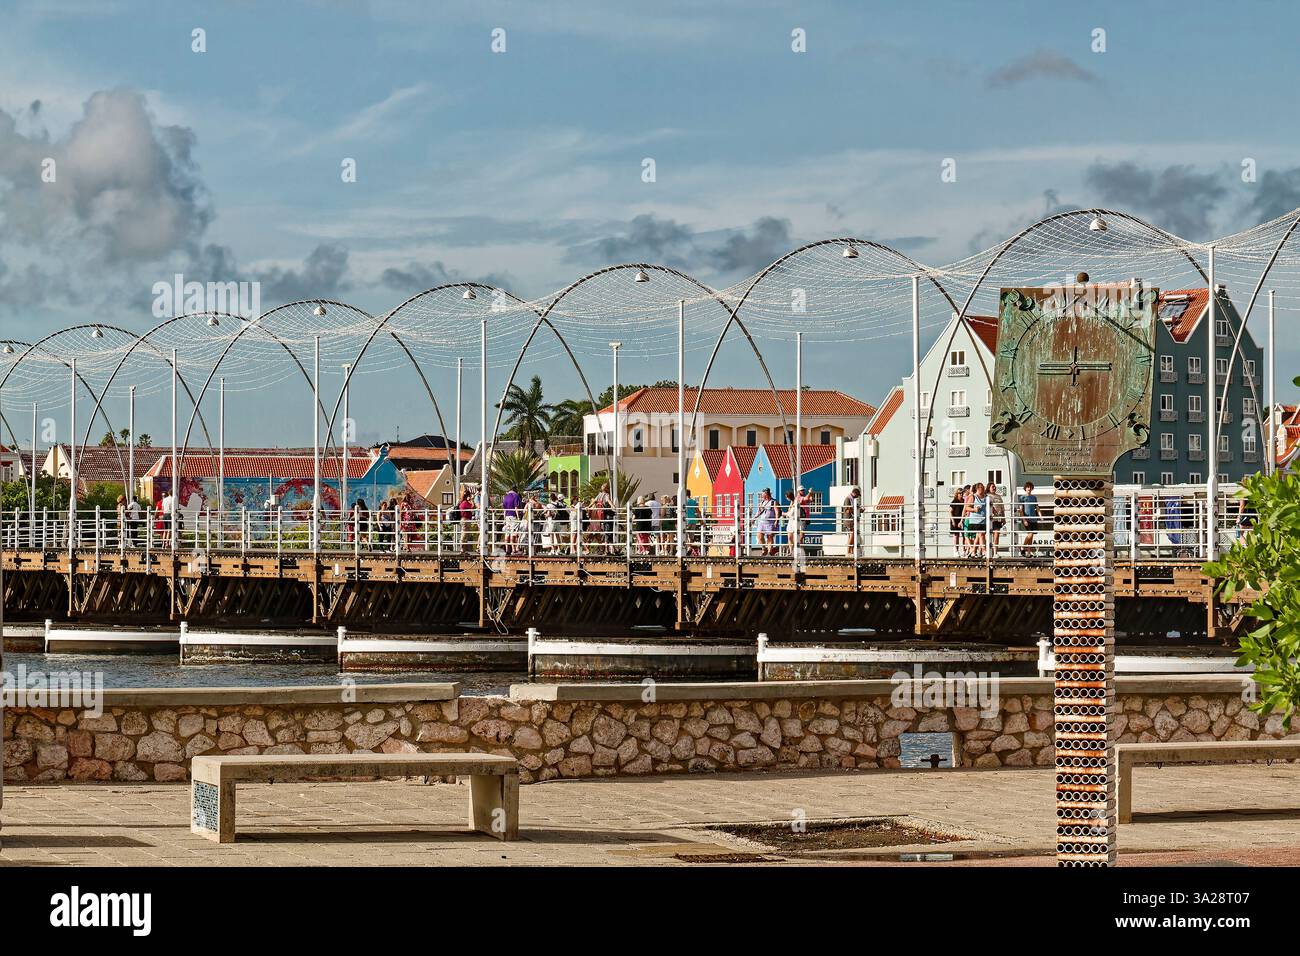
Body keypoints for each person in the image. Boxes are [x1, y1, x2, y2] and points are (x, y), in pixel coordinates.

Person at [1015, 482, 1039, 551]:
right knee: (1030, 534)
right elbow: (1021, 509)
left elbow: (1037, 508)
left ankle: (1029, 551)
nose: (1029, 488)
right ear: (1025, 488)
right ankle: (1022, 547)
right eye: (1028, 487)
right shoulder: (1022, 497)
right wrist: (1024, 519)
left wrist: (1040, 516)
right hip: (1026, 518)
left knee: (1031, 536)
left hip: (1033, 518)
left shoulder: (1034, 497)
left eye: (1030, 487)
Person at [755, 488, 778, 555]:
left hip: (770, 522)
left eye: (763, 494)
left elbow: (776, 511)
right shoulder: (762, 502)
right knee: (759, 535)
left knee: (770, 537)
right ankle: (764, 548)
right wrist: (754, 518)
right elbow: (759, 511)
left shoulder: (773, 502)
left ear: (766, 494)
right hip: (762, 522)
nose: (762, 495)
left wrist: (776, 520)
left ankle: (770, 551)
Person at [502, 486, 522, 555]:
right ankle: (514, 550)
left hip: (507, 517)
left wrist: (504, 518)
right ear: (516, 489)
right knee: (514, 533)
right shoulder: (516, 496)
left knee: (507, 533)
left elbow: (504, 510)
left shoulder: (505, 497)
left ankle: (507, 549)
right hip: (513, 516)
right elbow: (516, 507)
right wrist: (518, 517)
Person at [987, 482, 1005, 554]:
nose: (994, 488)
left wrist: (1003, 518)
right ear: (989, 488)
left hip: (998, 518)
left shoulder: (999, 496)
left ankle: (995, 552)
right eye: (992, 486)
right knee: (987, 535)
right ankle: (986, 552)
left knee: (996, 534)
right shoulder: (987, 496)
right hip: (989, 518)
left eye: (995, 486)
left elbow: (1002, 508)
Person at [842, 487, 861, 554]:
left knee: (852, 536)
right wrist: (856, 510)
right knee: (852, 535)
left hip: (850, 520)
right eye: (857, 495)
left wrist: (859, 510)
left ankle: (851, 551)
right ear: (854, 493)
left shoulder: (851, 499)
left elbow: (851, 509)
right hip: (848, 520)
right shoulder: (848, 499)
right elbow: (847, 510)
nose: (857, 497)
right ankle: (849, 551)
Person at [950, 487, 966, 556]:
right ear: (957, 494)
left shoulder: (964, 501)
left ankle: (964, 550)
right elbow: (950, 511)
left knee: (964, 535)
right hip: (955, 520)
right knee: (956, 535)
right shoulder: (954, 501)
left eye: (962, 493)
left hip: (962, 520)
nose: (961, 494)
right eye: (960, 493)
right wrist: (953, 520)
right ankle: (956, 550)